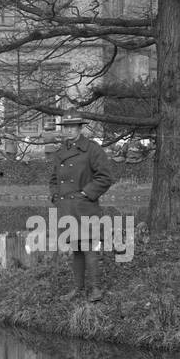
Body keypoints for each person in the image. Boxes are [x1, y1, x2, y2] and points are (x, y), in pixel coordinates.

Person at [48, 113, 115, 301]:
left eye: (73, 126)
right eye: (66, 127)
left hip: (84, 207)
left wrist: (86, 193)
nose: (69, 130)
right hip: (66, 207)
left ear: (80, 128)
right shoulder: (60, 152)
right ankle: (77, 289)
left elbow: (105, 177)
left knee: (88, 247)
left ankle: (95, 289)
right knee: (76, 248)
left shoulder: (92, 149)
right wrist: (55, 195)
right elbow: (54, 179)